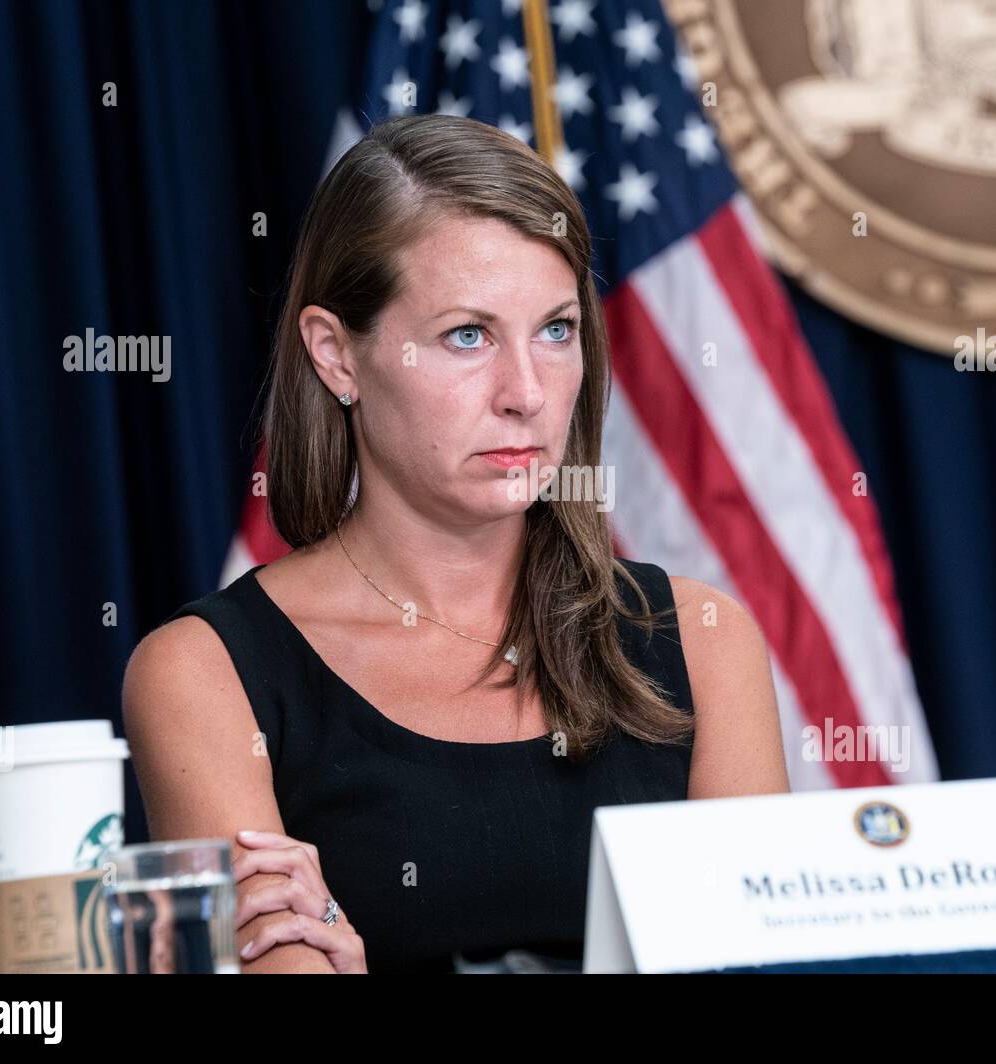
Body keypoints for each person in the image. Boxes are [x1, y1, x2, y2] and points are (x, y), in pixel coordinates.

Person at [122, 113, 788, 974]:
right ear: (336, 357)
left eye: (555, 330)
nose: (525, 394)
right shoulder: (205, 675)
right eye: (466, 336)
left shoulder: (701, 641)